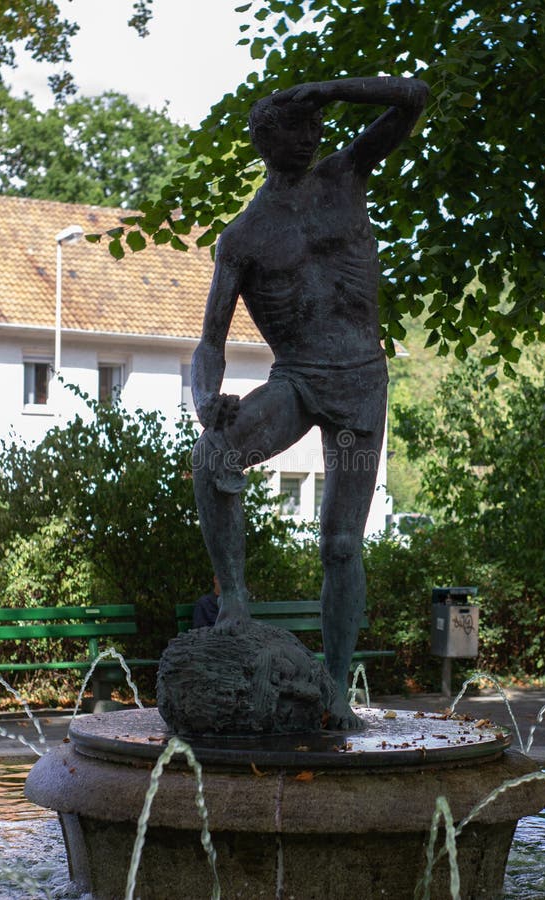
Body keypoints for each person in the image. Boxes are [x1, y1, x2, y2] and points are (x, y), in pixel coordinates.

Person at [191, 76, 429, 727]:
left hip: (359, 390)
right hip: (296, 383)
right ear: (268, 140)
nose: (317, 132)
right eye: (301, 126)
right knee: (215, 453)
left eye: (319, 123)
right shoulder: (243, 237)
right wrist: (205, 398)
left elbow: (411, 96)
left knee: (342, 544)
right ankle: (236, 601)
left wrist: (327, 87)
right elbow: (209, 342)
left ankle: (334, 692)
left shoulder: (345, 177)